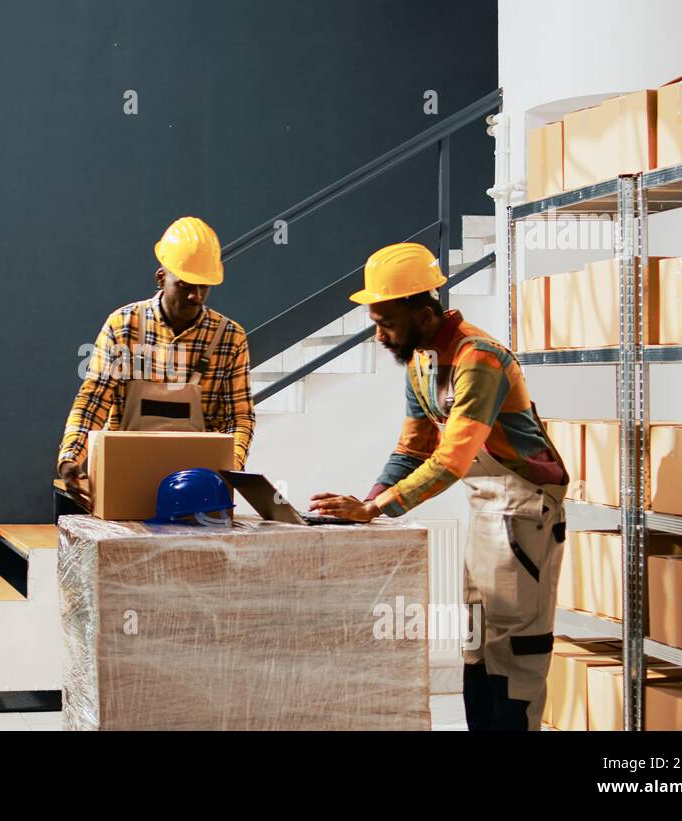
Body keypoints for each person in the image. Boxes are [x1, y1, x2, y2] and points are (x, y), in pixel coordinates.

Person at [309, 242, 570, 731]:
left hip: (525, 508)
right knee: (477, 644)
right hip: (488, 510)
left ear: (424, 312)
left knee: (516, 648)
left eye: (385, 320)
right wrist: (365, 503)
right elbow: (412, 448)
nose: (378, 332)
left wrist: (378, 509)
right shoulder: (421, 361)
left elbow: (452, 458)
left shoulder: (479, 358)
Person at [57, 217, 255, 491]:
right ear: (161, 278)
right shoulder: (124, 326)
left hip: (197, 485)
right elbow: (93, 399)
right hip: (125, 476)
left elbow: (239, 417)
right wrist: (70, 459)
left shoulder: (230, 337)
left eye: (203, 286)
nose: (196, 296)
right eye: (186, 285)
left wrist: (229, 468)